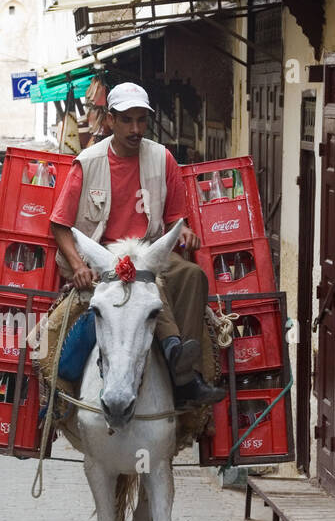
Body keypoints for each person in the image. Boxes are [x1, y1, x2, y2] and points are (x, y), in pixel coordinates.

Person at [50, 82, 221, 407]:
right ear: (110, 120)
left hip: (150, 251)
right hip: (104, 257)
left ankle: (187, 368)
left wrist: (180, 233)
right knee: (141, 283)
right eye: (127, 120)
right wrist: (77, 264)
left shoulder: (162, 158)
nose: (136, 128)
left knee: (191, 275)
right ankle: (58, 404)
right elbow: (60, 223)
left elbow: (175, 219)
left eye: (141, 120)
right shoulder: (88, 162)